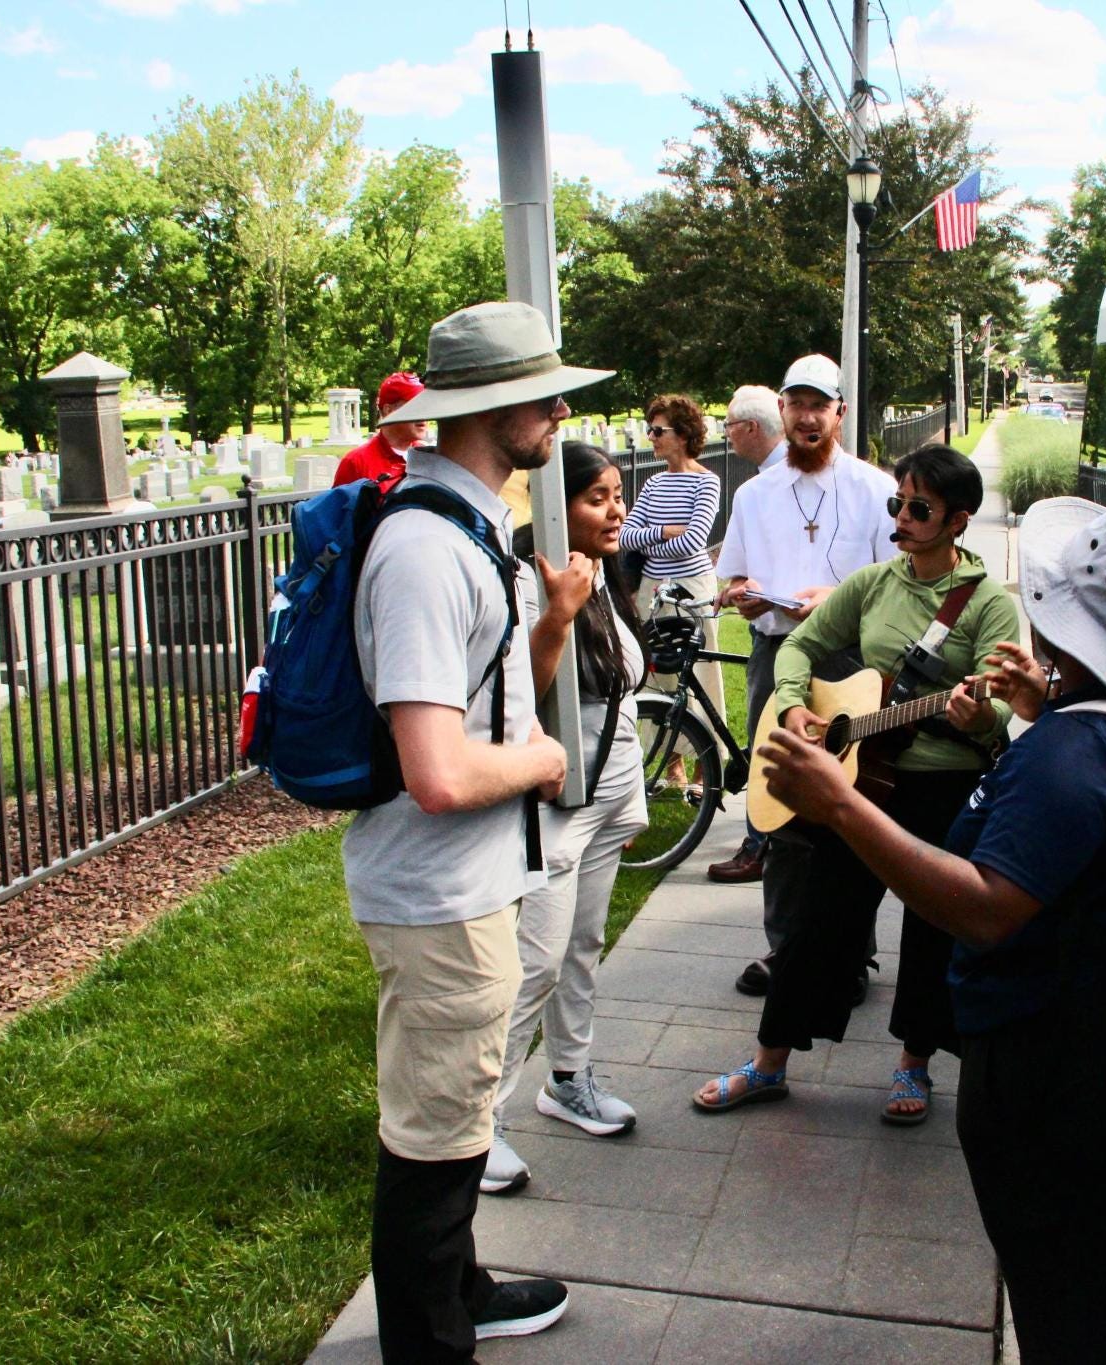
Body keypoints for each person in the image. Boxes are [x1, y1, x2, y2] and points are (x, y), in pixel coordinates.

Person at [754, 498, 1106, 1362]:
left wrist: (841, 804)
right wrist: (1034, 712)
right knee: (1071, 1258)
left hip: (1053, 1067)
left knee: (1053, 1275)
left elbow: (984, 907)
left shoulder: (1075, 754)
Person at [345, 301, 608, 1360]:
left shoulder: (470, 531)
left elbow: (481, 704)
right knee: (434, 1141)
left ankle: (467, 1289)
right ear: (497, 408)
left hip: (473, 886)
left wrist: (547, 628)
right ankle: (429, 1337)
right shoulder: (422, 549)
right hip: (438, 895)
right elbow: (438, 771)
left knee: (448, 1118)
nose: (558, 411)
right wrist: (546, 762)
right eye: (545, 395)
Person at [690, 445, 1017, 1124]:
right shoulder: (873, 583)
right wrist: (791, 706)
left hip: (941, 790)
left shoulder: (987, 603)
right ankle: (769, 1062)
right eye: (896, 502)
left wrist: (984, 710)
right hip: (862, 785)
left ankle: (914, 1065)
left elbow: (1005, 703)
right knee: (818, 923)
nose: (900, 514)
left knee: (931, 929)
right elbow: (803, 647)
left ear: (958, 520)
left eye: (918, 507)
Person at [485, 442, 650, 1195]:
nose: (616, 510)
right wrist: (559, 612)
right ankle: (476, 1122)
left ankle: (568, 1077)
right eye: (597, 498)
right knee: (537, 960)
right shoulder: (531, 578)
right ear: (558, 507)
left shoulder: (604, 573)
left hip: (612, 783)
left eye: (619, 495)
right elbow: (522, 690)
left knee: (585, 943)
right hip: (562, 792)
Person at [713, 355, 897, 993]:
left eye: (821, 405)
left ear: (839, 413)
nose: (808, 417)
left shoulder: (875, 489)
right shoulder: (754, 494)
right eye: (797, 404)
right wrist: (744, 592)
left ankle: (853, 955)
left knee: (850, 806)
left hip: (846, 663)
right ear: (783, 411)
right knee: (781, 806)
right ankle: (787, 949)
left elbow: (898, 588)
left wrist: (838, 600)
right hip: (774, 655)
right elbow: (732, 576)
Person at [705, 384, 788, 884]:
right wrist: (738, 584)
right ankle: (765, 842)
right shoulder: (758, 486)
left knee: (766, 743)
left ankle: (760, 846)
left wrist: (765, 592)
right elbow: (748, 562)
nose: (727, 436)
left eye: (729, 426)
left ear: (751, 428)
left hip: (786, 636)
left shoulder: (778, 483)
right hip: (769, 631)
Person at [623, 393, 724, 724]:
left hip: (692, 589)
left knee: (701, 670)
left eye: (657, 431)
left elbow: (694, 541)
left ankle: (705, 756)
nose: (651, 437)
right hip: (653, 589)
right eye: (649, 430)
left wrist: (648, 541)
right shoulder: (653, 483)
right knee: (657, 673)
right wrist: (665, 531)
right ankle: (673, 762)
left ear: (682, 434)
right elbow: (626, 536)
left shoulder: (706, 482)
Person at [334, 372, 429, 492]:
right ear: (389, 410)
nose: (424, 415)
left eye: (426, 406)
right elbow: (339, 508)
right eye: (415, 406)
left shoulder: (429, 457)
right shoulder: (356, 463)